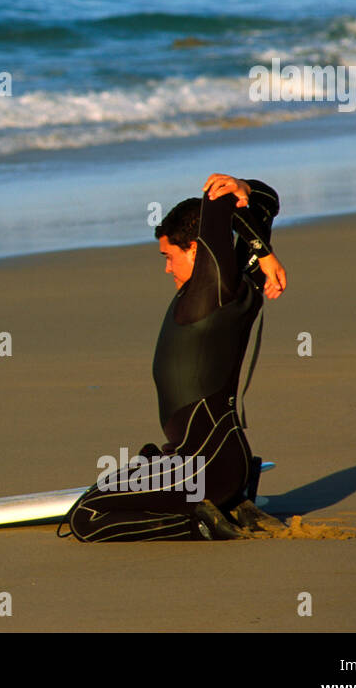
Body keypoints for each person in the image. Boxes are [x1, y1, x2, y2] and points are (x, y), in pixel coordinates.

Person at [60, 173, 287, 542]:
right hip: (220, 462)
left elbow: (217, 201)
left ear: (197, 250)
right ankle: (233, 503)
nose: (166, 268)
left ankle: (202, 521)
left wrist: (265, 251)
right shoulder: (237, 282)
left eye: (169, 256)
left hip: (203, 466)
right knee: (113, 488)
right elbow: (267, 200)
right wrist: (250, 207)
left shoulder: (210, 287)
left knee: (87, 517)